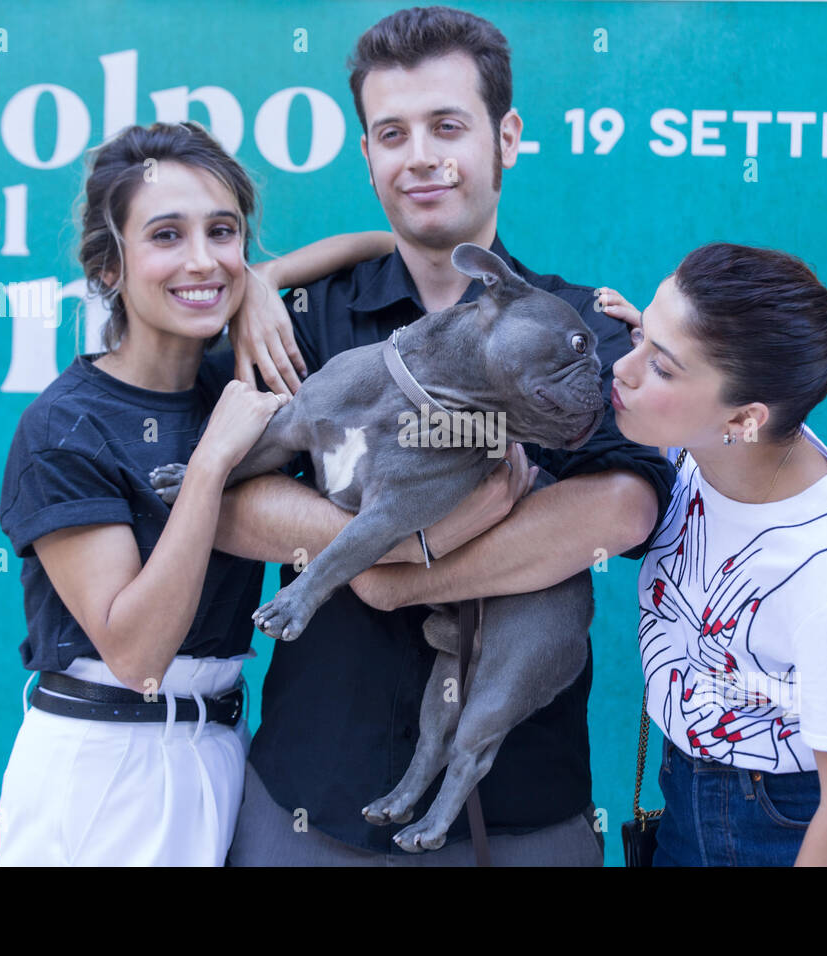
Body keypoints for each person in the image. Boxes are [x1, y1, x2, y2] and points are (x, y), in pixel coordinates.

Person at [213, 5, 674, 866]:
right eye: (392, 132)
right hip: (307, 804)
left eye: (447, 126)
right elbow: (227, 501)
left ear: (506, 138)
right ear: (368, 155)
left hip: (520, 821)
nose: (419, 155)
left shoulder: (580, 325)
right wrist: (397, 545)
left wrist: (397, 573)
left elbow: (622, 506)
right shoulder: (299, 323)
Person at [0, 120, 393, 866]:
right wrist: (210, 465)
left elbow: (385, 245)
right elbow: (139, 655)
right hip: (105, 768)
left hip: (222, 753)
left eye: (224, 231)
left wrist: (265, 282)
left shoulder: (234, 372)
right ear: (108, 266)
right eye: (166, 236)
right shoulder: (64, 425)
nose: (203, 260)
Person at [598, 242, 827, 866]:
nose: (623, 368)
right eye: (644, 334)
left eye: (661, 366)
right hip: (687, 787)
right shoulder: (714, 432)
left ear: (745, 417)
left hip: (796, 819)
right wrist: (656, 341)